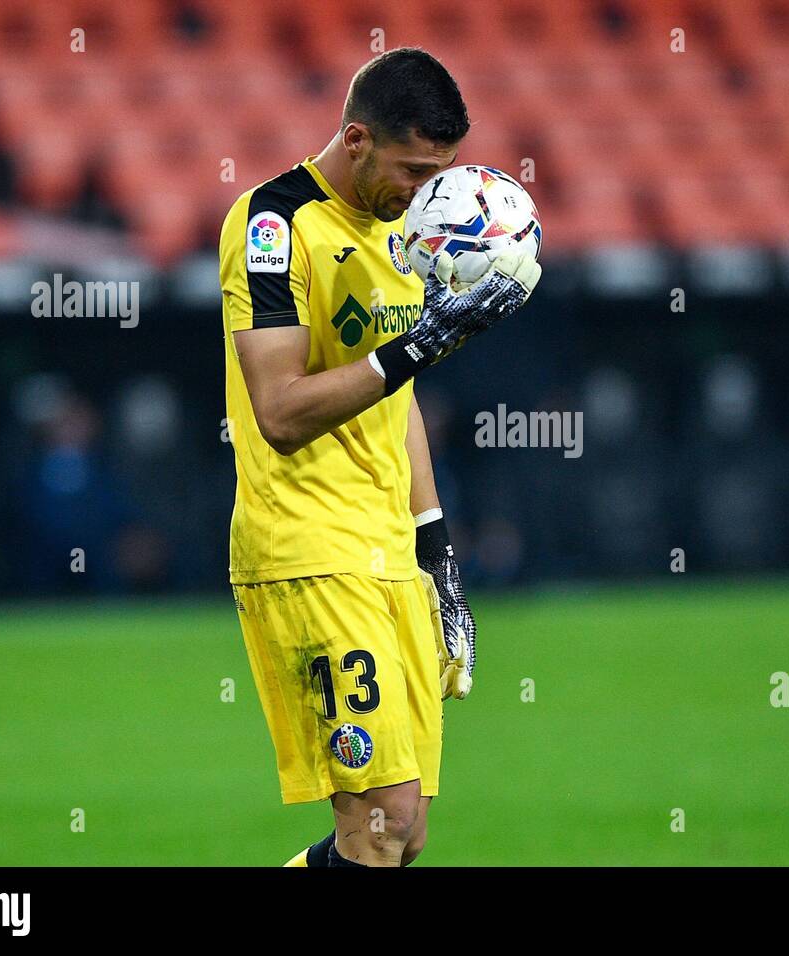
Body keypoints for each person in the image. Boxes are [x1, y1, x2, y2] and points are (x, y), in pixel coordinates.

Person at [218, 47, 541, 867]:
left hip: (391, 558)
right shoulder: (274, 224)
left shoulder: (412, 234)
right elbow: (281, 413)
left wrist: (443, 563)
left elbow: (396, 409)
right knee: (381, 823)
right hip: (308, 551)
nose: (422, 190)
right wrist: (421, 344)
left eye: (440, 171)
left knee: (403, 837)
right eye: (410, 168)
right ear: (356, 139)